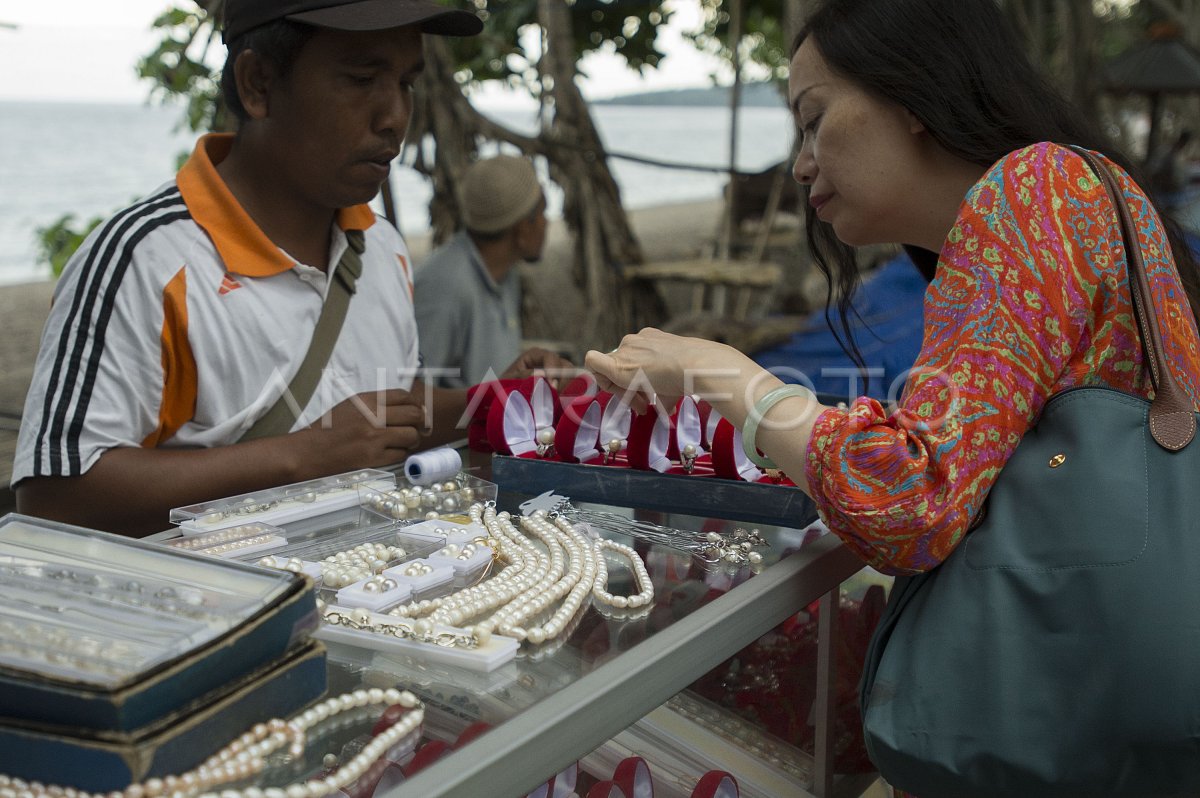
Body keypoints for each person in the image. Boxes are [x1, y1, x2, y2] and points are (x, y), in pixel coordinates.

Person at [586, 0, 1200, 580]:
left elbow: (910, 504)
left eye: (813, 120)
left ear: (912, 93)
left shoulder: (1036, 187)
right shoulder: (1050, 200)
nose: (801, 165)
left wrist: (716, 369)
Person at [11, 0, 565, 537]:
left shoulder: (380, 248)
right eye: (360, 78)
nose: (395, 116)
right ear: (258, 84)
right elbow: (53, 498)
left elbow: (385, 420)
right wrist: (301, 457)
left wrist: (496, 398)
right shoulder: (146, 262)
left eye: (405, 83)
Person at [414, 154, 549, 388]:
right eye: (541, 214)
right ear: (521, 231)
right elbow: (412, 397)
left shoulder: (504, 272)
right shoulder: (446, 286)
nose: (546, 223)